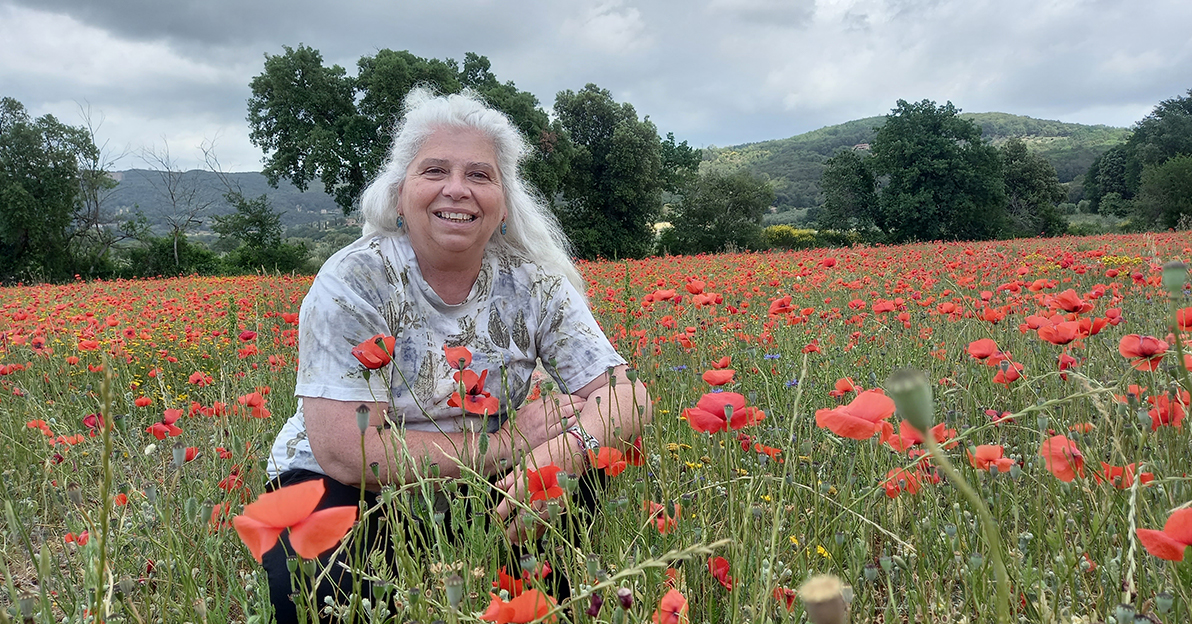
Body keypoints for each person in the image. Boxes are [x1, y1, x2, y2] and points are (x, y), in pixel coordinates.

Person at [261, 87, 650, 622]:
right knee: (327, 597)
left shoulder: (534, 283)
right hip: (347, 485)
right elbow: (345, 453)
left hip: (484, 481)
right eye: (435, 171)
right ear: (399, 194)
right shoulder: (355, 280)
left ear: (505, 202)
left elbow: (627, 395)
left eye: (480, 175)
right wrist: (508, 443)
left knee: (573, 479)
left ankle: (538, 600)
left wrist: (571, 448)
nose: (457, 190)